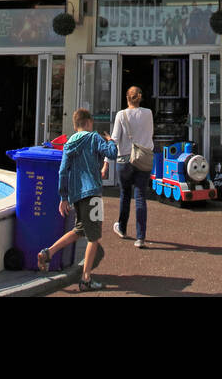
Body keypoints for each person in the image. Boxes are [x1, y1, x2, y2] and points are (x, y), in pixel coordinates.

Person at [38, 108, 118, 291]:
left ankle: (48, 252)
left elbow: (62, 171)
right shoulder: (94, 138)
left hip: (76, 194)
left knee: (80, 230)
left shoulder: (69, 144)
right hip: (93, 192)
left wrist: (63, 197)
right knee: (94, 236)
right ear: (88, 122)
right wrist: (111, 141)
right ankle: (86, 279)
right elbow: (112, 154)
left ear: (75, 125)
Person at [111, 86, 154, 248]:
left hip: (125, 160)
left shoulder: (121, 115)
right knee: (141, 196)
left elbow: (115, 139)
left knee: (125, 194)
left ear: (127, 98)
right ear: (140, 97)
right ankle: (140, 237)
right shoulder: (148, 113)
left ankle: (122, 228)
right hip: (142, 159)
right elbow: (149, 134)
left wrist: (106, 160)